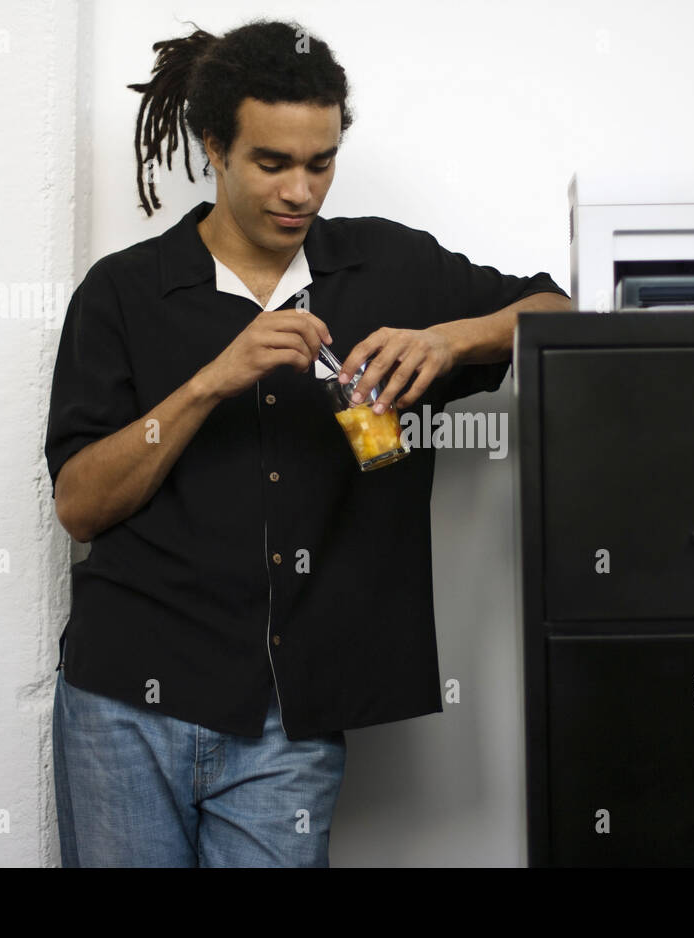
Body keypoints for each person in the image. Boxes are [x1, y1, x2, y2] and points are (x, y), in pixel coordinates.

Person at [45, 17, 571, 867]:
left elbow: (560, 317)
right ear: (215, 146)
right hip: (123, 704)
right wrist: (213, 378)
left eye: (319, 163)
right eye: (272, 162)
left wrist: (450, 341)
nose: (300, 190)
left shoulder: (388, 266)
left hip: (289, 722)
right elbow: (79, 504)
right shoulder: (123, 294)